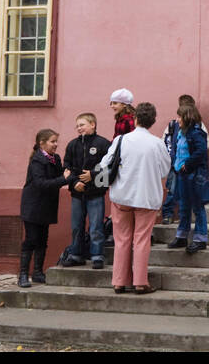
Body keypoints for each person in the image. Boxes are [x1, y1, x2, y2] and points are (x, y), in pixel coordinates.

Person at [95, 101, 170, 294]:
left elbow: (105, 163)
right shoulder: (157, 143)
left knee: (122, 239)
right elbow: (164, 170)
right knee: (142, 240)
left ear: (135, 119)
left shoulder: (121, 140)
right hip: (146, 196)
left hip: (121, 195)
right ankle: (140, 282)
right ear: (153, 121)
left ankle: (119, 281)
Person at [19, 128, 83, 287]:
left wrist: (74, 177)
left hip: (46, 206)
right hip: (33, 206)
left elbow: (62, 175)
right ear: (42, 143)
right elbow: (42, 184)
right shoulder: (37, 161)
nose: (56, 144)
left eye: (56, 141)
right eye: (52, 141)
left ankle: (38, 273)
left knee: (42, 239)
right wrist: (64, 179)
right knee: (31, 240)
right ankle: (23, 275)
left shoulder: (55, 158)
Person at [61, 112, 110, 269]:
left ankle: (97, 256)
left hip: (95, 193)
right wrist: (74, 182)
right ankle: (76, 254)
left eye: (82, 125)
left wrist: (93, 176)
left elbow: (109, 167)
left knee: (96, 226)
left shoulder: (103, 144)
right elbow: (67, 167)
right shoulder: (72, 145)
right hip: (77, 193)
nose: (78, 128)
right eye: (77, 126)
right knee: (77, 225)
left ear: (93, 124)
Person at [168, 95, 209, 253]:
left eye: (179, 116)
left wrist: (188, 164)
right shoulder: (181, 132)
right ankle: (181, 236)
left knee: (198, 206)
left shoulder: (196, 133)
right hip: (182, 173)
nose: (177, 119)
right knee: (184, 205)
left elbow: (200, 152)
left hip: (194, 175)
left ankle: (200, 239)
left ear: (186, 117)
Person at [161, 111, 182, 224]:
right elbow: (165, 141)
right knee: (172, 190)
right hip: (174, 164)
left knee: (186, 192)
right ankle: (168, 214)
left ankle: (182, 215)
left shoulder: (198, 126)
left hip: (187, 166)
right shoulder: (173, 125)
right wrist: (170, 158)